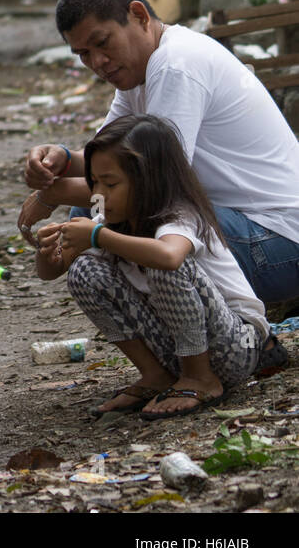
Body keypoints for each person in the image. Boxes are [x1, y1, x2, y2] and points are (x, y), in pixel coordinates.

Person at [19, 0, 299, 317]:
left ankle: (210, 356)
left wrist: (53, 194)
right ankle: (166, 361)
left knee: (128, 220)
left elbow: (153, 187)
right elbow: (104, 164)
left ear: (139, 16)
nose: (97, 63)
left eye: (102, 43)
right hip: (242, 227)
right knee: (94, 210)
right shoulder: (135, 75)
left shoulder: (176, 64)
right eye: (84, 54)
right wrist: (59, 159)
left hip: (279, 239)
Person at [34, 115, 284, 418]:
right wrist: (47, 254)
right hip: (174, 350)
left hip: (238, 347)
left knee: (162, 264)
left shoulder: (180, 214)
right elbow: (51, 273)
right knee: (84, 269)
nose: (99, 194)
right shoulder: (110, 220)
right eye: (94, 182)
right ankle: (156, 376)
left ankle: (200, 378)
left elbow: (169, 258)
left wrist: (97, 236)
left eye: (110, 183)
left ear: (148, 180)